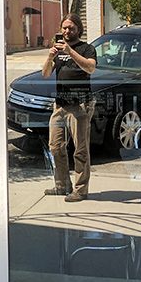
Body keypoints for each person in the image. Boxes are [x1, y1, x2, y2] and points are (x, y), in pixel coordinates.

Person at [41, 12, 97, 202]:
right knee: (55, 147)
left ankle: (80, 190)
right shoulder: (58, 50)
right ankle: (62, 185)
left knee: (80, 150)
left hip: (80, 105)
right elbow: (45, 74)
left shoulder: (87, 49)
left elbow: (90, 67)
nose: (66, 31)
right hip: (60, 105)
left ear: (78, 29)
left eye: (71, 28)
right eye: (64, 28)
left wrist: (70, 51)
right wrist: (50, 57)